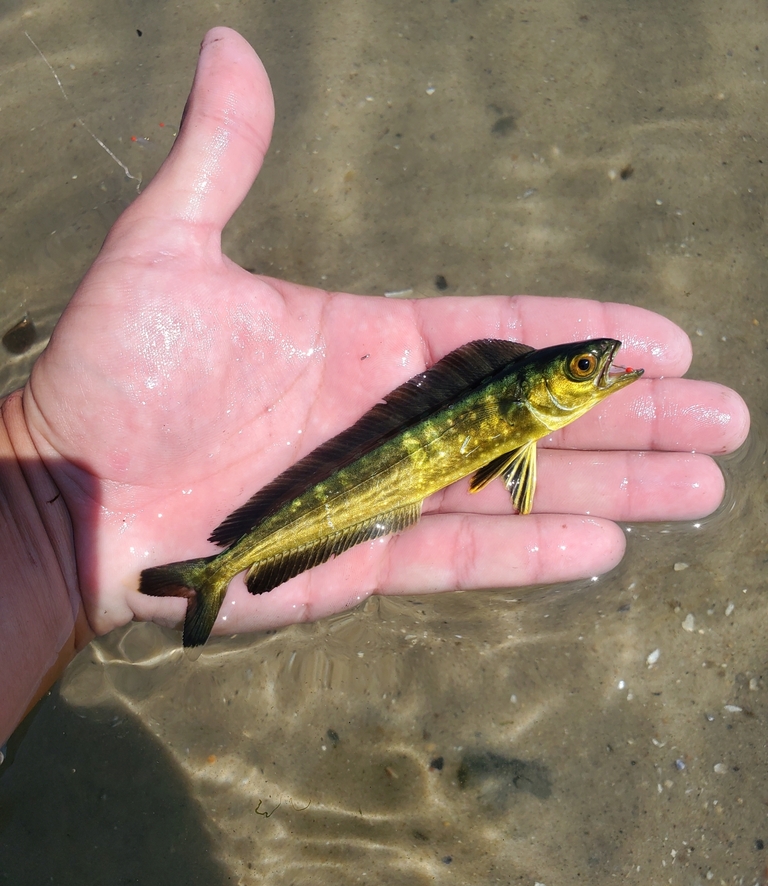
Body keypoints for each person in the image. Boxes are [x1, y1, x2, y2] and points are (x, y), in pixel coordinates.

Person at [0, 28, 749, 746]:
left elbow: (511, 456)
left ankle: (216, 571)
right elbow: (508, 461)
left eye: (586, 368)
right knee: (309, 525)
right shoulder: (520, 415)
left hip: (404, 474)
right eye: (582, 370)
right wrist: (50, 541)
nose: (594, 372)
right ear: (539, 391)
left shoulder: (524, 424)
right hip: (380, 483)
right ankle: (218, 570)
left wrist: (49, 538)